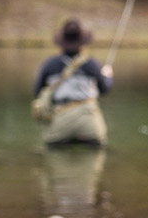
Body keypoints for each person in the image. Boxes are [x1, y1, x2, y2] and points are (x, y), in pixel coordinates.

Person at [32, 18, 113, 146]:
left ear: (62, 41)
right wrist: (108, 76)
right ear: (82, 42)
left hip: (59, 123)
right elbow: (104, 89)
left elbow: (37, 91)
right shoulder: (90, 64)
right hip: (89, 123)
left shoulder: (49, 64)